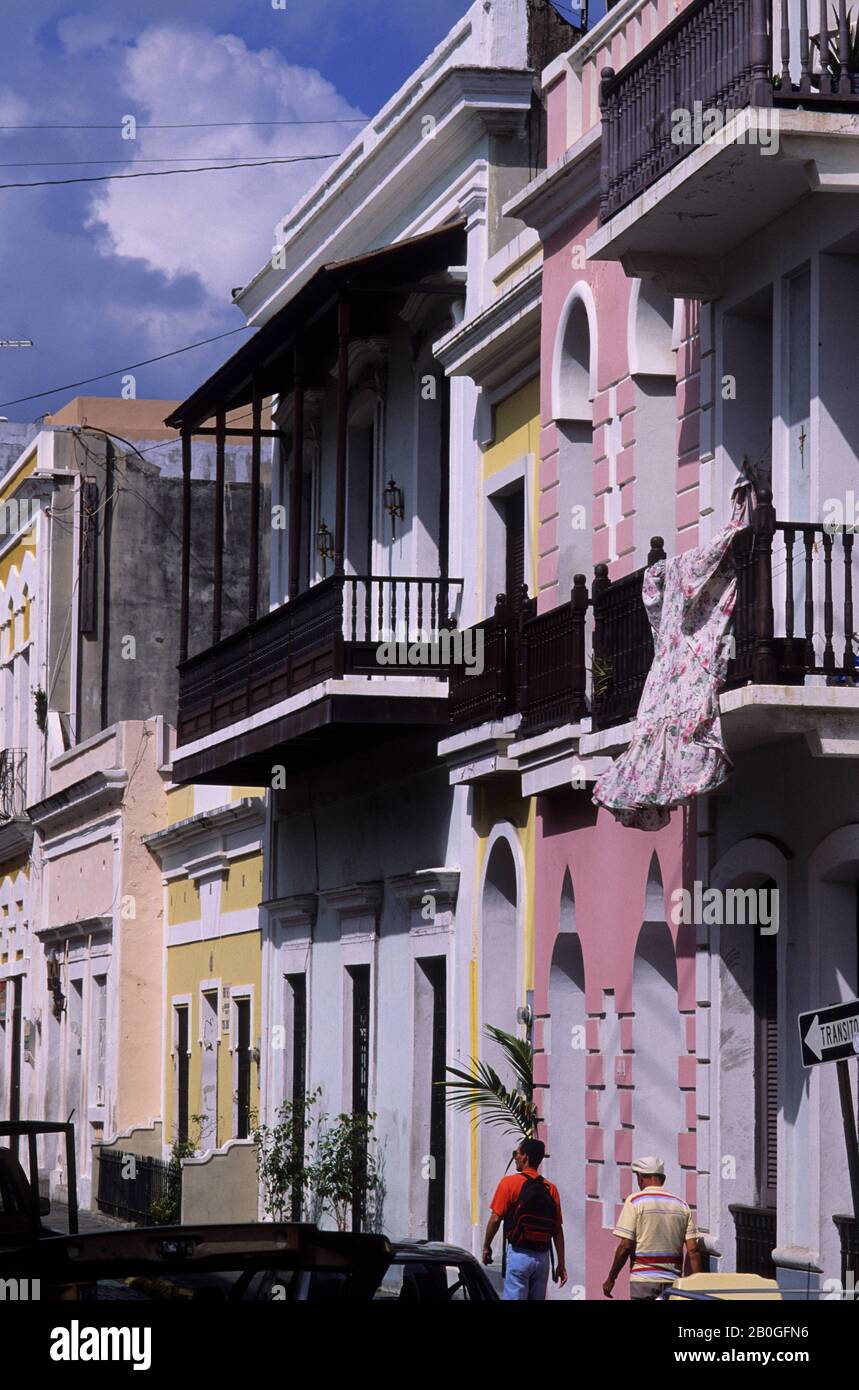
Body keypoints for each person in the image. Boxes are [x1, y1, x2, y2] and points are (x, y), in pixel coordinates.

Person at [603, 1156, 702, 1300]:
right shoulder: (681, 1205)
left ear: (642, 1178)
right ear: (663, 1178)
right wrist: (699, 1286)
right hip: (673, 1283)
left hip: (643, 1281)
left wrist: (611, 1278)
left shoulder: (635, 1201)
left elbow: (625, 1246)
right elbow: (693, 1250)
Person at [482, 1137, 567, 1300]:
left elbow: (495, 1219)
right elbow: (557, 1230)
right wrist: (561, 1264)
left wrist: (486, 1246)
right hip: (543, 1258)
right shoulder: (551, 1189)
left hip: (519, 1254)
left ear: (525, 1157)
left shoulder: (509, 1183)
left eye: (516, 1153)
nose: (515, 1157)